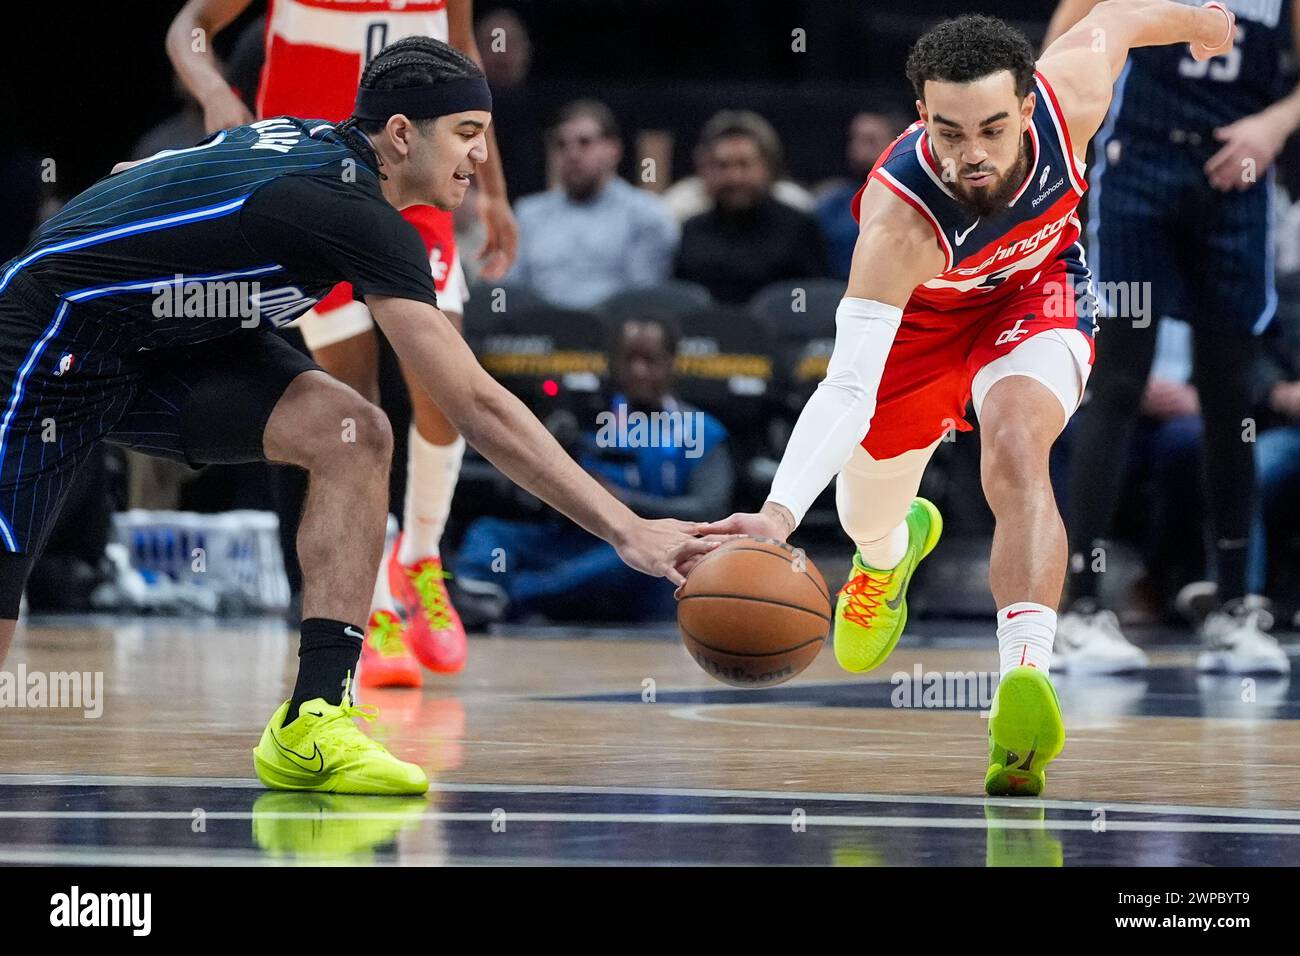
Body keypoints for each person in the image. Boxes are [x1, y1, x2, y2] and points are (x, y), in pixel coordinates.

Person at [0, 38, 718, 795]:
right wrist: (626, 529)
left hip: (169, 341)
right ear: (403, 133)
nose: (480, 156)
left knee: (354, 433)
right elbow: (473, 403)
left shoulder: (323, 156)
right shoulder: (353, 212)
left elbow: (131, 176)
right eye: (467, 132)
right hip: (52, 337)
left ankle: (314, 723)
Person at [700, 5, 1240, 797]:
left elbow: (1120, 17)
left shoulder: (1072, 96)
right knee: (865, 517)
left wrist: (1206, 21)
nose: (972, 155)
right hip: (919, 331)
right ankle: (889, 556)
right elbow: (847, 384)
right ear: (922, 117)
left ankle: (1023, 682)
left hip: (1036, 296)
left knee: (1018, 443)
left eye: (992, 128)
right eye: (949, 134)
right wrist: (778, 516)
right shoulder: (898, 220)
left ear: (1028, 107)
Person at [168, 0, 520, 682]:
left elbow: (463, 64)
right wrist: (217, 93)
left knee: (444, 385)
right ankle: (378, 606)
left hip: (417, 175)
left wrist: (495, 191)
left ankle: (420, 556)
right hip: (315, 175)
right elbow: (190, 25)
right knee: (355, 411)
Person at [1045, 0, 1298, 675]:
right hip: (1137, 172)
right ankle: (1083, 608)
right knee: (1118, 382)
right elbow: (1059, 58)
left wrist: (1273, 126)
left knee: (1228, 396)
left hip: (1237, 177)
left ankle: (1237, 608)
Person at [455, 313, 733, 624]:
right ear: (612, 361)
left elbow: (709, 507)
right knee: (490, 531)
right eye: (629, 360)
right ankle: (473, 594)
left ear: (671, 362)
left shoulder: (701, 429)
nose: (638, 371)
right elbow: (530, 485)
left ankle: (515, 597)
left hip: (640, 547)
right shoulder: (582, 413)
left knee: (631, 562)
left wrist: (622, 501)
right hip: (576, 538)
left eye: (649, 360)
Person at [505, 100, 680, 309]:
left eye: (585, 142)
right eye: (561, 145)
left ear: (613, 150)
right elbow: (510, 290)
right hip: (541, 331)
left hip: (612, 334)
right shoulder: (528, 213)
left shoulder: (646, 214)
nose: (572, 154)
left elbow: (642, 300)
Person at [673, 111, 831, 303]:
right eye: (723, 166)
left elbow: (817, 303)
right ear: (706, 171)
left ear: (768, 168)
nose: (734, 178)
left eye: (744, 165)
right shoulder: (692, 230)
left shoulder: (799, 228)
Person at [817, 112, 903, 280]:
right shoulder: (832, 203)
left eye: (870, 141)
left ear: (898, 145)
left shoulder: (917, 202)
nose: (859, 150)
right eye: (855, 140)